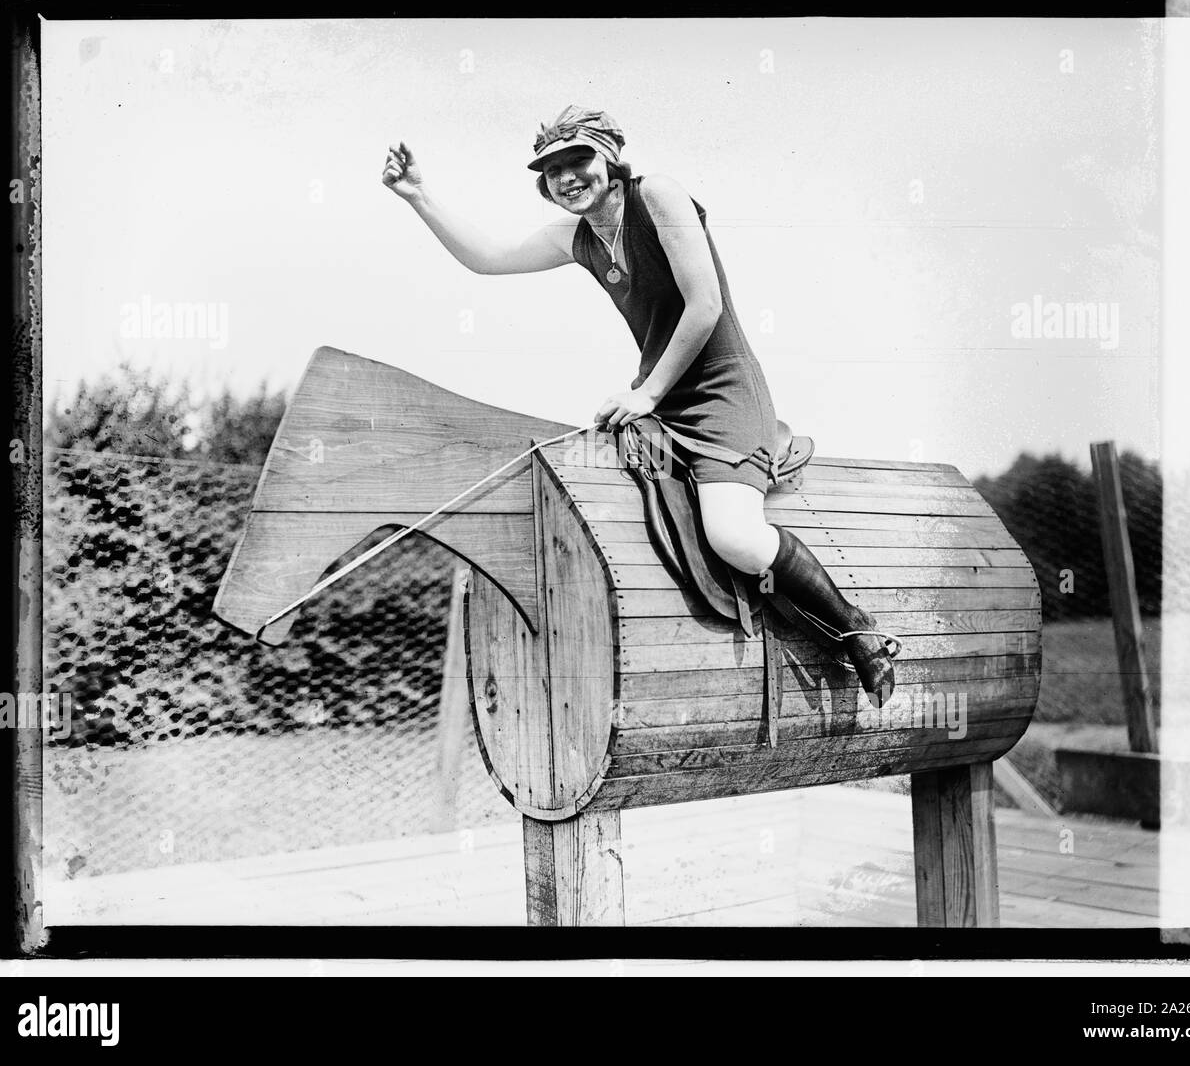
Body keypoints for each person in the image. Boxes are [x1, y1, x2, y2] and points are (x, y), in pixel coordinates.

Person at [382, 105, 895, 703]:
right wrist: (419, 197)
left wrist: (646, 392)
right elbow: (487, 258)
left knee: (732, 534)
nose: (568, 177)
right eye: (552, 170)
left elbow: (704, 307)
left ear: (610, 160)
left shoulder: (661, 196)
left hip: (722, 392)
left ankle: (859, 632)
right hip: (656, 398)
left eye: (580, 160)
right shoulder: (575, 238)